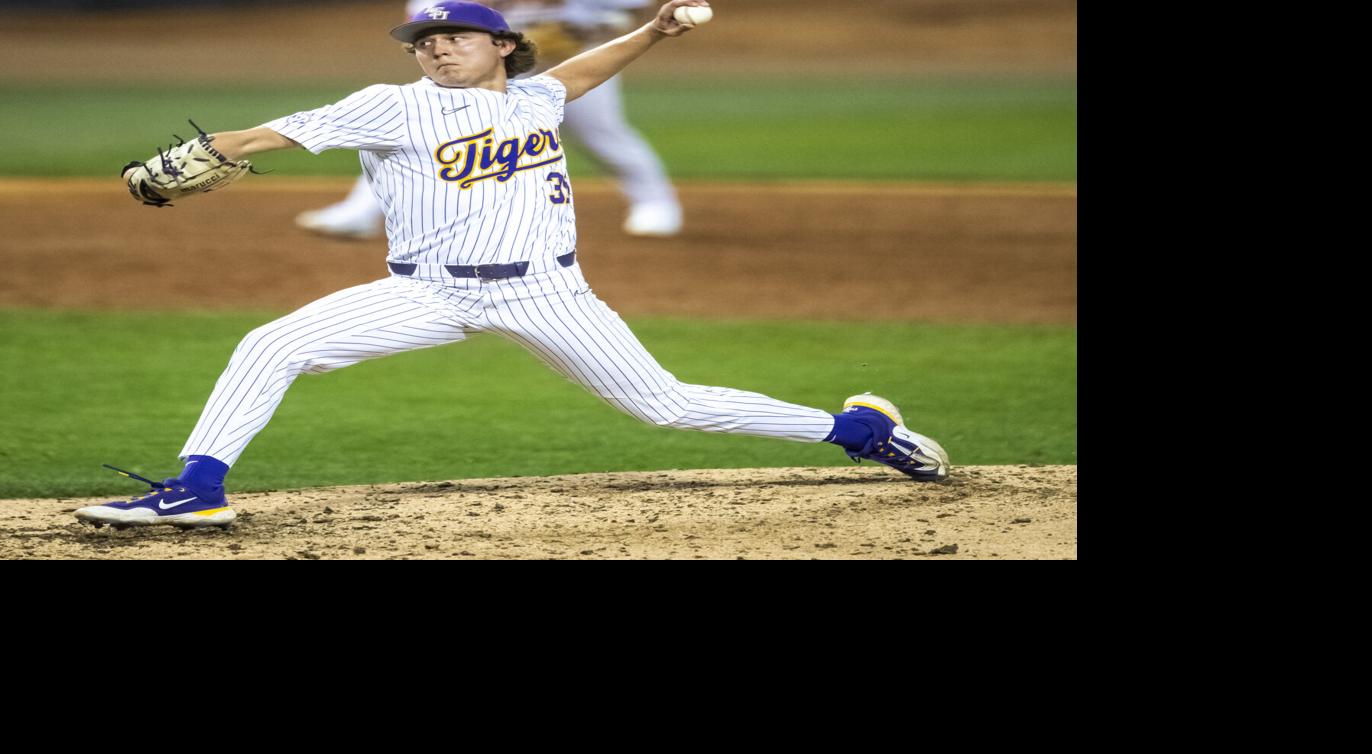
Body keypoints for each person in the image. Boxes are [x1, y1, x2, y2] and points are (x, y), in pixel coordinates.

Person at [77, 0, 948, 530]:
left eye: (455, 37)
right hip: (424, 294)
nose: (436, 48)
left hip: (548, 295)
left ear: (502, 46)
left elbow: (581, 73)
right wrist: (209, 151)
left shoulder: (536, 96)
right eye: (424, 40)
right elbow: (273, 133)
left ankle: (864, 432)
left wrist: (652, 32)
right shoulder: (390, 105)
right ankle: (198, 489)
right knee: (271, 345)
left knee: (667, 405)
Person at [295, 0, 684, 240]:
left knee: (600, 133)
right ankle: (361, 211)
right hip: (477, 66)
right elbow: (421, 22)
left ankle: (654, 204)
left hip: (569, 61)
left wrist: (579, 30)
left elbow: (625, 11)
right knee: (429, 133)